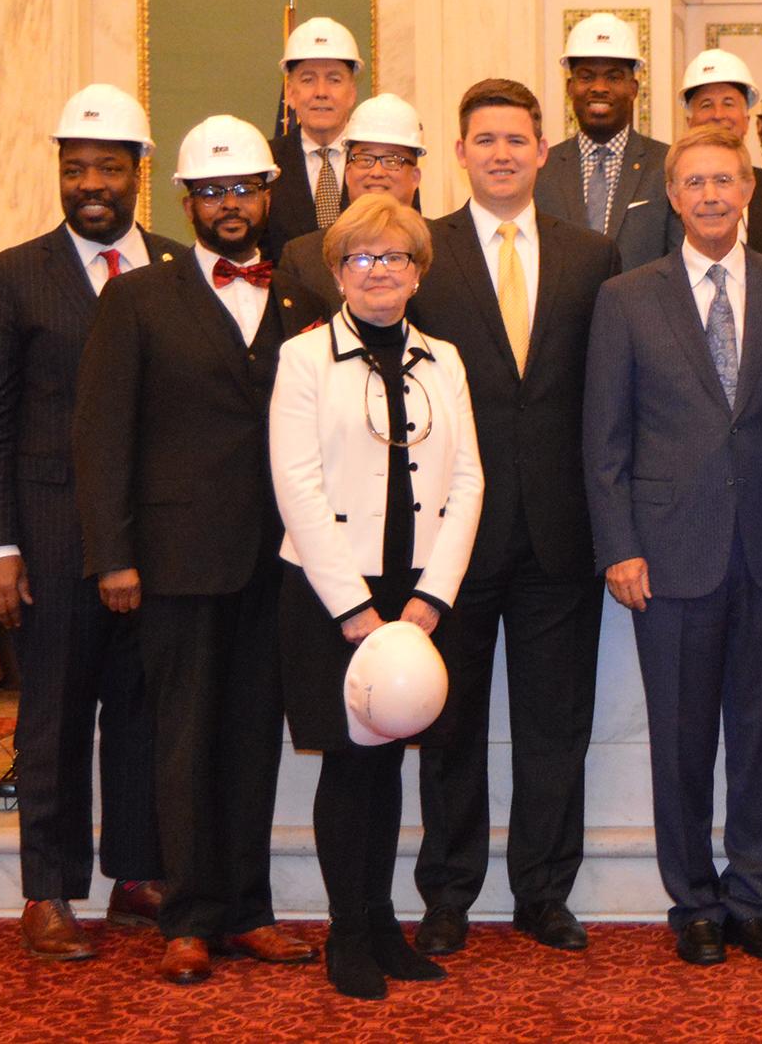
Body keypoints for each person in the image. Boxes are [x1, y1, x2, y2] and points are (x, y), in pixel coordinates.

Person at [74, 117, 319, 985]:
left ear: (267, 195)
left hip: (280, 559)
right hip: (174, 561)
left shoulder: (302, 296)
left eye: (244, 188)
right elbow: (102, 436)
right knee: (180, 739)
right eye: (212, 191)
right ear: (184, 202)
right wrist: (112, 555)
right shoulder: (138, 296)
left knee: (254, 736)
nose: (229, 204)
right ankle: (186, 915)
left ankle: (247, 910)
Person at [0, 83, 179, 960]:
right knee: (51, 716)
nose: (91, 183)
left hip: (151, 541)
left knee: (140, 711)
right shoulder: (10, 277)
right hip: (45, 540)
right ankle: (47, 890)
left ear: (139, 174)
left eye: (109, 168)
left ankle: (135, 876)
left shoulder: (172, 268)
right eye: (75, 166)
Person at [584, 124, 762, 966]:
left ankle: (756, 895)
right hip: (667, 552)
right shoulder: (627, 296)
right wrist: (619, 546)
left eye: (726, 180)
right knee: (680, 738)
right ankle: (694, 900)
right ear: (673, 197)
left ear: (750, 189)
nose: (712, 195)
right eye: (696, 182)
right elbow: (602, 437)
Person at [406, 78, 622, 956]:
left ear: (544, 151)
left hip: (561, 534)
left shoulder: (590, 254)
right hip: (450, 538)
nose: (501, 152)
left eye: (517, 139)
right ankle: (450, 893)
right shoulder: (425, 251)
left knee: (554, 725)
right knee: (447, 720)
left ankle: (543, 891)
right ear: (460, 152)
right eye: (484, 138)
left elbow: (603, 398)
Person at [270, 194, 484, 1000]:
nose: (379, 271)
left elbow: (468, 478)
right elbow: (296, 483)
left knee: (392, 763)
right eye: (361, 257)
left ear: (418, 271)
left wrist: (432, 598)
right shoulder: (302, 360)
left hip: (417, 591)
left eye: (395, 257)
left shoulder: (447, 358)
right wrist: (354, 612)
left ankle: (384, 919)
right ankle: (346, 930)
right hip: (335, 592)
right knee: (349, 767)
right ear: (337, 271)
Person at [535, 12, 682, 272]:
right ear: (570, 87)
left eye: (613, 77)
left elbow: (678, 259)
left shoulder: (667, 163)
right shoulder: (541, 167)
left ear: (634, 89)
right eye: (587, 76)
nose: (599, 87)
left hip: (642, 310)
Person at [273, 93, 426, 315]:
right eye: (364, 159)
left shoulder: (447, 250)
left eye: (392, 161)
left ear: (415, 178)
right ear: (347, 172)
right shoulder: (302, 258)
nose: (376, 172)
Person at [264, 16, 366, 249]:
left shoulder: (382, 161)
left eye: (334, 80)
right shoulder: (265, 162)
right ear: (290, 92)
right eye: (308, 80)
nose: (321, 92)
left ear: (352, 92)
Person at [678, 48, 762, 258]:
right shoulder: (671, 192)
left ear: (747, 119)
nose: (718, 115)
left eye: (728, 103)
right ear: (689, 123)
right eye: (706, 105)